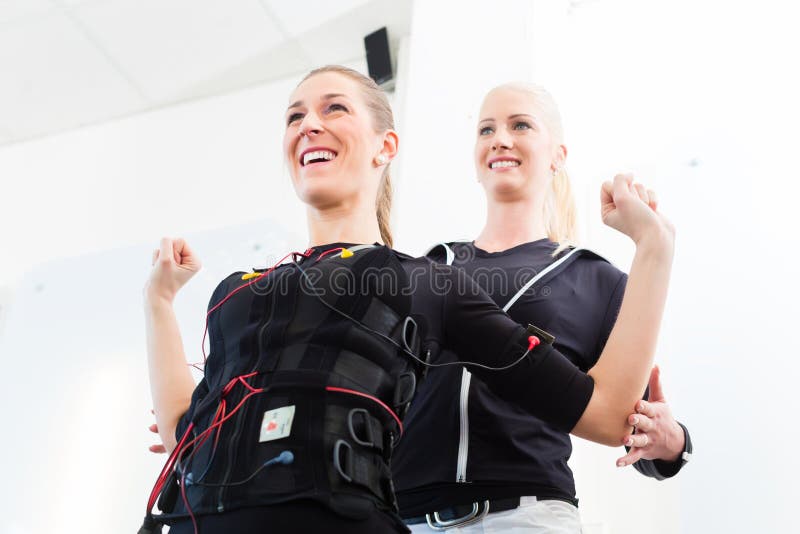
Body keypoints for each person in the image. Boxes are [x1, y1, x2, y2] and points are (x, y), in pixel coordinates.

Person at [141, 67, 675, 533]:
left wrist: (654, 247)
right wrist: (161, 305)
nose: (308, 125)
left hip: (515, 510)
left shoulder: (436, 285)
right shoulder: (249, 292)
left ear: (386, 146)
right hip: (403, 511)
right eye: (295, 116)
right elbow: (185, 430)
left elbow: (611, 414)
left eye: (333, 108)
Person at [392, 83, 691, 532]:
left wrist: (673, 443)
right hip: (407, 518)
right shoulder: (429, 267)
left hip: (525, 516)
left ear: (557, 155)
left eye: (520, 125)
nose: (500, 139)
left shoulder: (595, 279)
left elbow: (631, 419)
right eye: (486, 129)